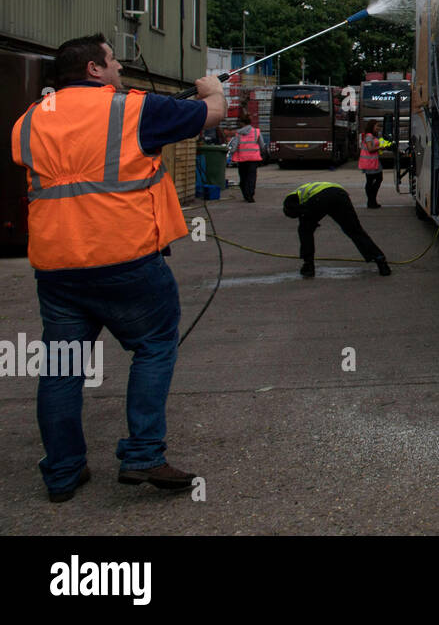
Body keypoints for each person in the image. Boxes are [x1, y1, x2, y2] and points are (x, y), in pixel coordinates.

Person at [10, 34, 225, 502]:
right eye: (112, 62)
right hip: (125, 259)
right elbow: (212, 115)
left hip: (57, 267)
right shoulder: (131, 108)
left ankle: (63, 474)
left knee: (62, 368)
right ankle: (144, 455)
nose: (118, 70)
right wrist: (212, 87)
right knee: (153, 347)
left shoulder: (28, 120)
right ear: (93, 68)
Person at [282, 182, 391, 277]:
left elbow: (302, 211)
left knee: (304, 231)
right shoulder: (306, 190)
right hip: (340, 195)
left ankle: (308, 266)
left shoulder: (290, 199)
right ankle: (380, 261)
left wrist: (307, 220)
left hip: (320, 198)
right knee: (355, 231)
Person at [230, 111, 265, 202]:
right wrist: (263, 153)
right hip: (253, 159)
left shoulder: (238, 134)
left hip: (242, 159)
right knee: (252, 177)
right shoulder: (256, 132)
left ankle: (246, 194)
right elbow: (262, 145)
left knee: (243, 178)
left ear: (242, 123)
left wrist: (230, 152)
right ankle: (251, 194)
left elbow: (234, 148)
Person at [358, 120, 392, 209]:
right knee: (373, 181)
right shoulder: (369, 136)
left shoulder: (373, 136)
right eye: (377, 126)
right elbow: (370, 149)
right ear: (372, 126)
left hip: (374, 161)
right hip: (370, 163)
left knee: (375, 180)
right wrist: (381, 147)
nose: (378, 128)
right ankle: (371, 201)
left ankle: (372, 200)